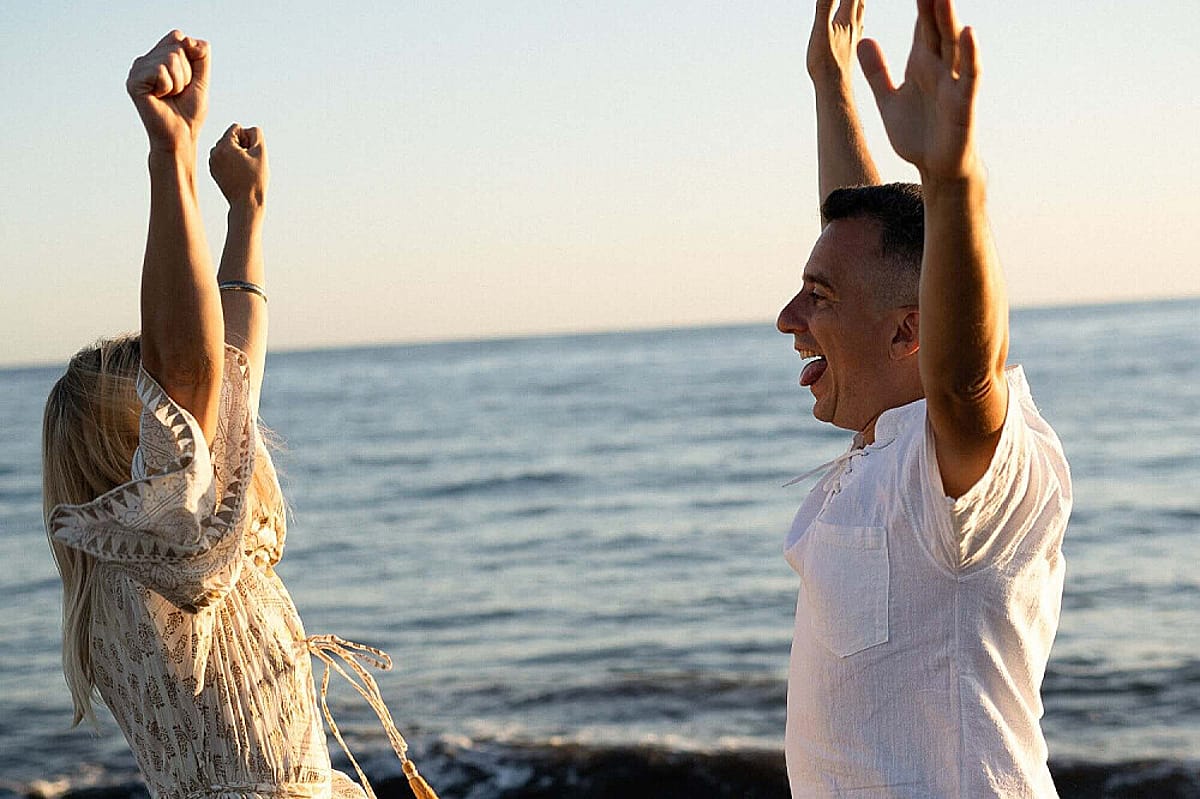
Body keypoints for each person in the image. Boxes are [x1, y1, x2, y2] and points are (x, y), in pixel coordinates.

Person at [42, 31, 436, 799]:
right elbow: (192, 368)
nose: (203, 404)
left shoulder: (174, 559)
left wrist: (246, 215)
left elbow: (224, 370)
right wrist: (172, 156)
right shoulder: (159, 557)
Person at [776, 1, 1072, 796]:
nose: (788, 318)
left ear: (910, 331)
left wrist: (953, 182)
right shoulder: (889, 442)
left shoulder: (960, 477)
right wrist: (830, 83)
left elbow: (966, 372)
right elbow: (872, 257)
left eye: (816, 298)